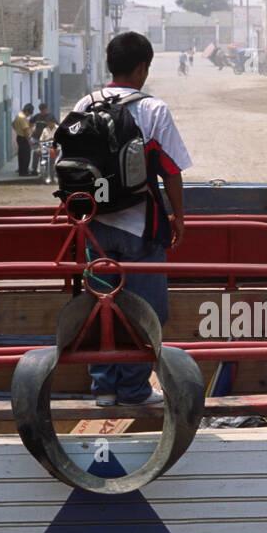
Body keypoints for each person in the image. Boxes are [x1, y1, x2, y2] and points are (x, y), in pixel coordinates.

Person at [75, 31, 191, 407]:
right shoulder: (153, 109)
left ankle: (104, 389)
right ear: (141, 68)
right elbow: (171, 171)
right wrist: (178, 218)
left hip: (93, 228)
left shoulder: (84, 103)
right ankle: (136, 389)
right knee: (144, 310)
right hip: (141, 228)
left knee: (99, 306)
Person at [12, 102, 35, 176]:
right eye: (29, 113)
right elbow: (25, 130)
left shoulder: (18, 115)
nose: (29, 115)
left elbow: (13, 125)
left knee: (21, 155)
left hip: (19, 137)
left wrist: (18, 131)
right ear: (27, 111)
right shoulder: (23, 118)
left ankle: (21, 170)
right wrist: (29, 140)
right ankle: (24, 172)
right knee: (26, 156)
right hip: (24, 138)